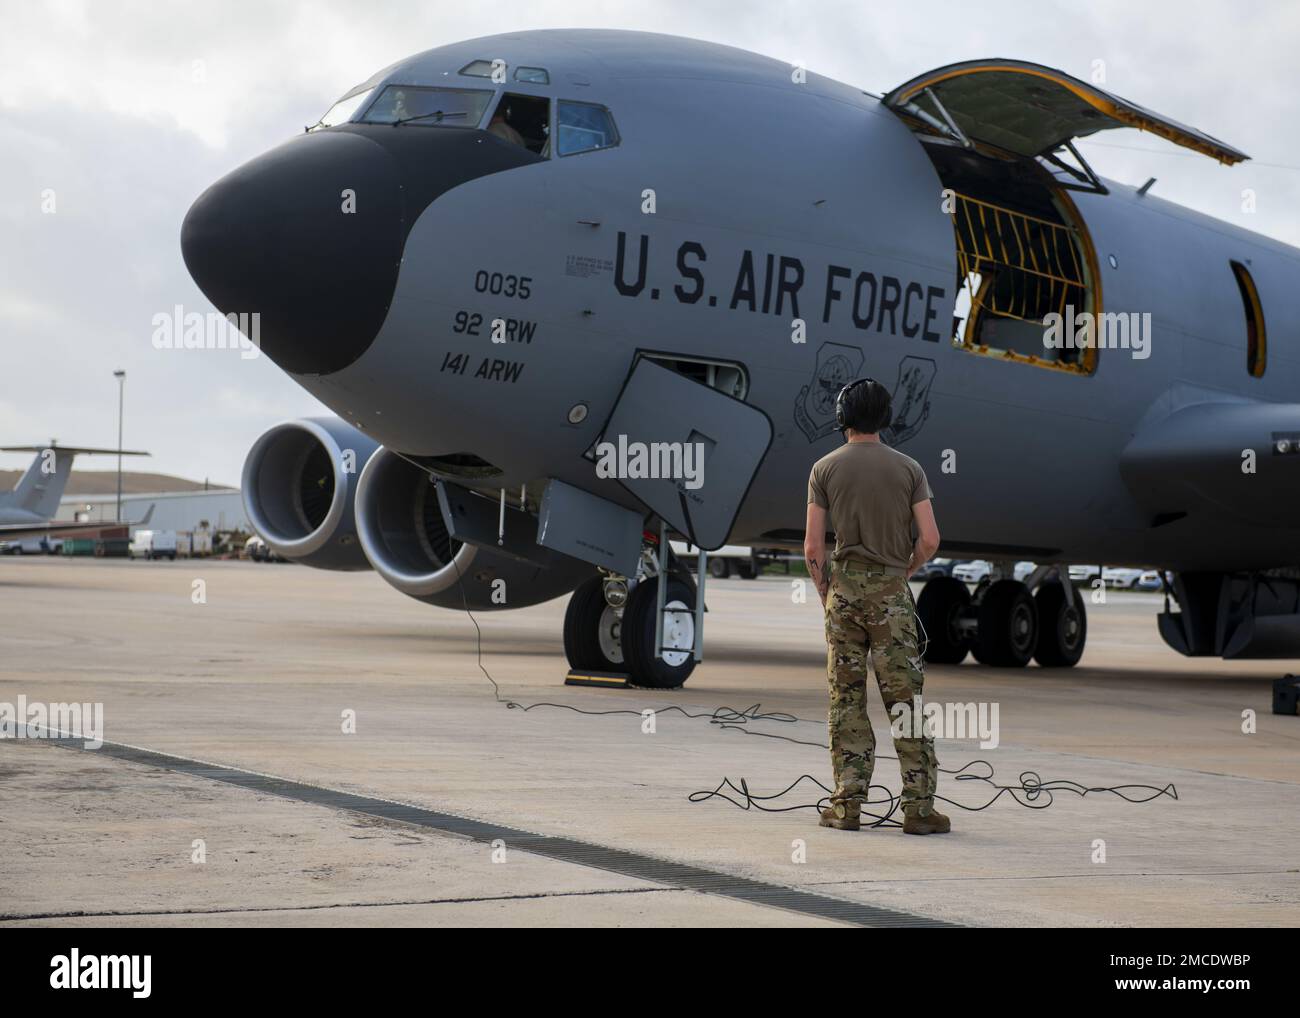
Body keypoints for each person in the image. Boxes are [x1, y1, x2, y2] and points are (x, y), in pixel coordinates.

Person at [803, 377, 947, 834]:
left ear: (842, 416)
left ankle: (847, 806)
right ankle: (919, 810)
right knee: (905, 701)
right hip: (890, 596)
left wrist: (828, 592)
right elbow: (930, 539)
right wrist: (903, 572)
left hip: (844, 595)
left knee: (846, 700)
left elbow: (812, 548)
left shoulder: (824, 468)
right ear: (885, 417)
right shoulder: (909, 469)